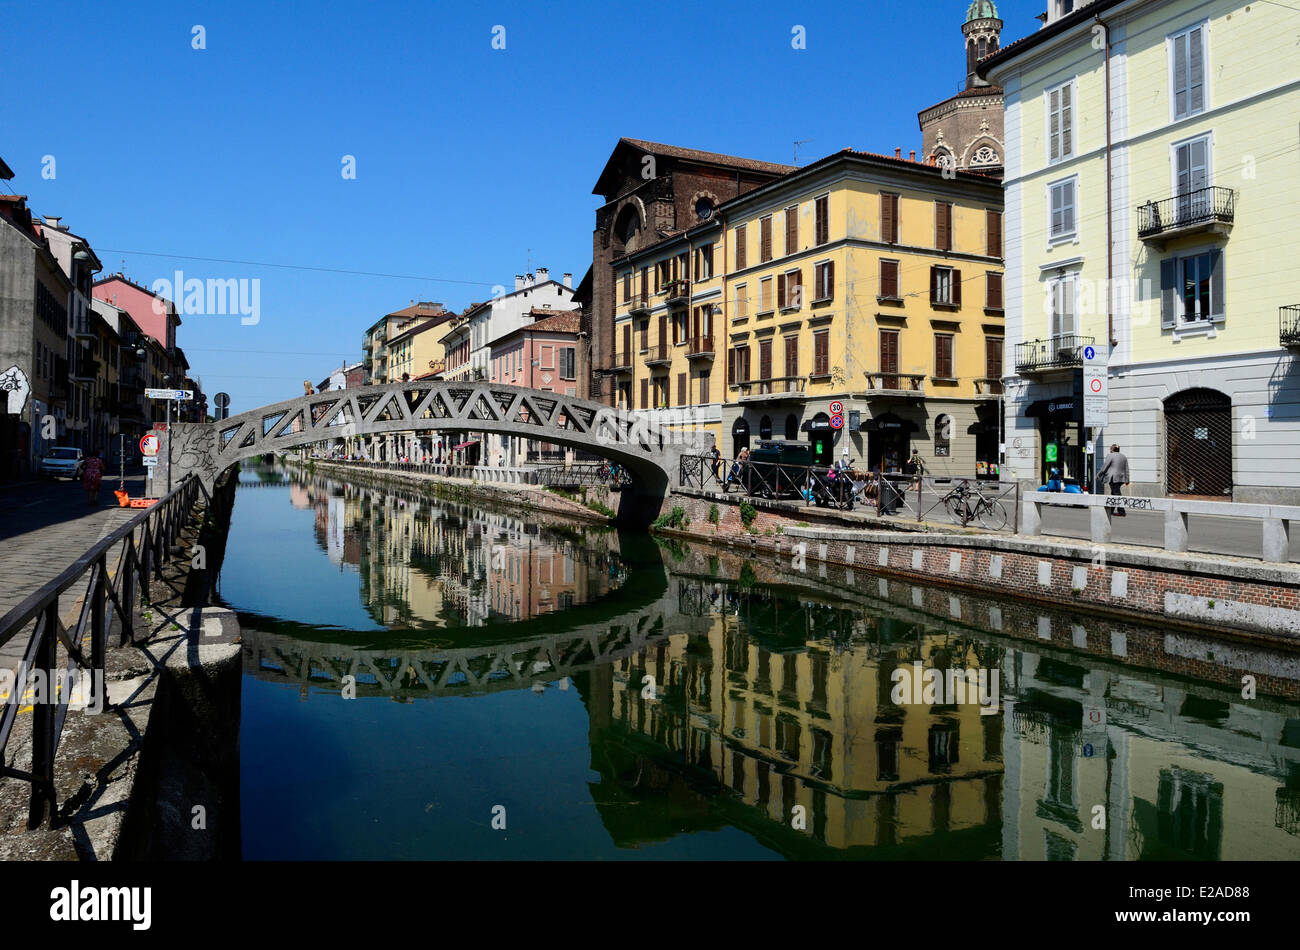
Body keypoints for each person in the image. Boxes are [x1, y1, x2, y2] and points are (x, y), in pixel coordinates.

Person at [1097, 443, 1130, 516]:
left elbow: (1105, 466)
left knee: (1116, 494)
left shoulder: (1110, 455)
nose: (1110, 450)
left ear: (1113, 449)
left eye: (1110, 448)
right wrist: (1127, 479)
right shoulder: (1123, 456)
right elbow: (1127, 469)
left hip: (1113, 478)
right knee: (1113, 493)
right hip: (1121, 478)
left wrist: (1098, 475)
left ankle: (1121, 511)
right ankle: (1111, 510)